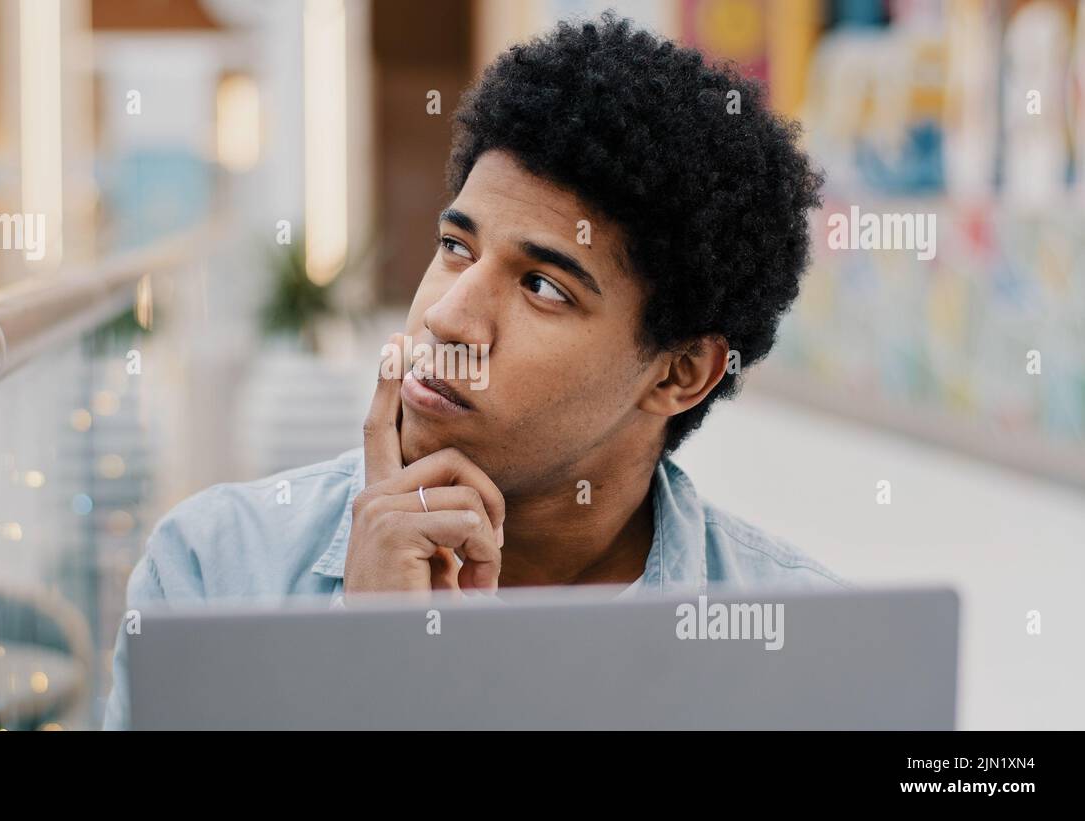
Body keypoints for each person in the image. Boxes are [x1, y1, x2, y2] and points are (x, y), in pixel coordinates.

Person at [103, 13, 845, 730]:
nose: (449, 317)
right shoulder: (215, 574)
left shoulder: (804, 650)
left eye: (543, 287)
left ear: (680, 372)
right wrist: (362, 673)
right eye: (456, 247)